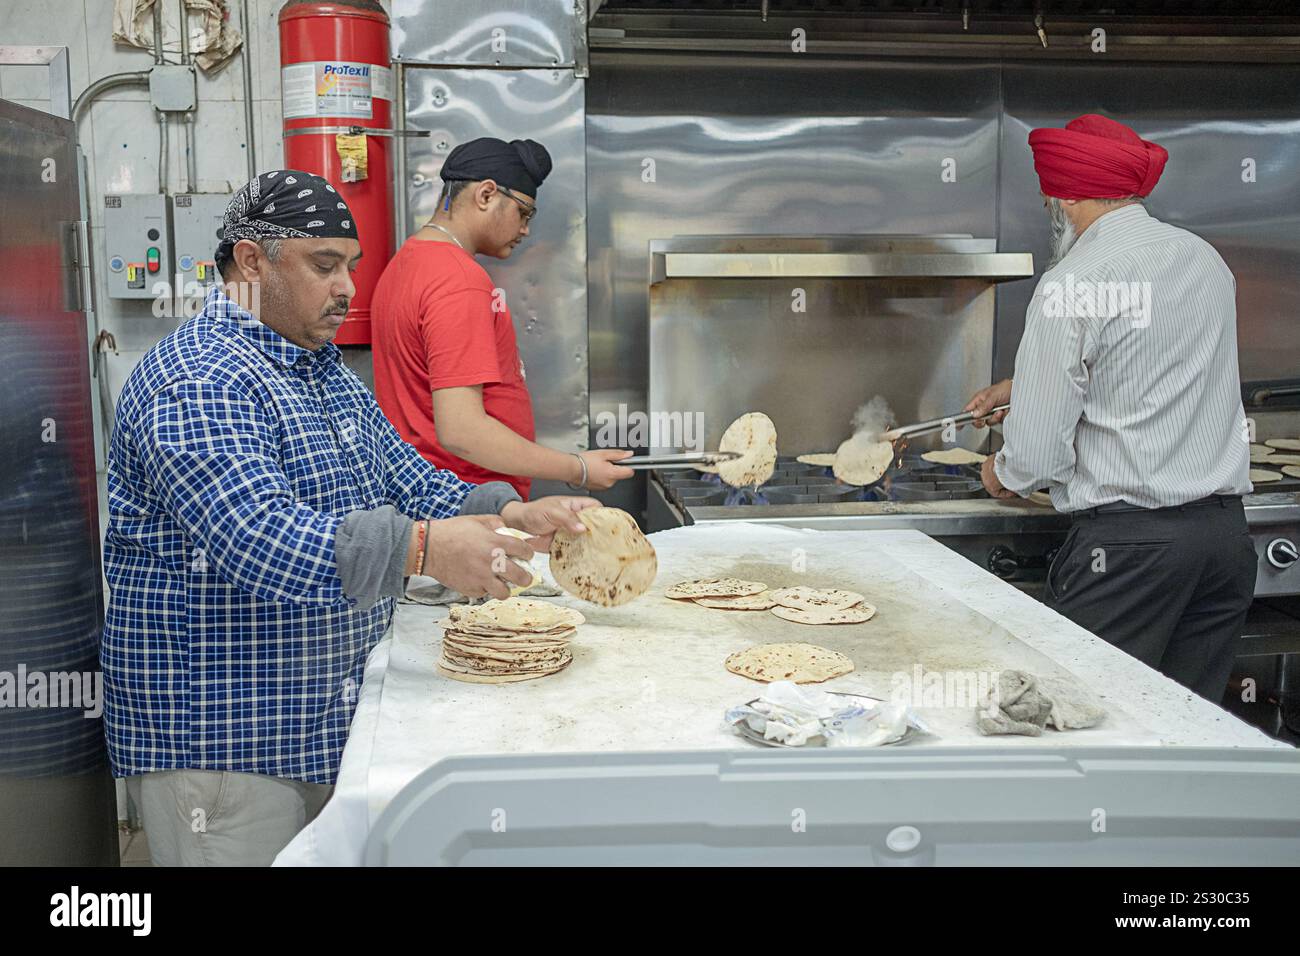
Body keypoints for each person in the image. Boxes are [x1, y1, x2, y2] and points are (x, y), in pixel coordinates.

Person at [101, 170, 599, 865]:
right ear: (251, 262)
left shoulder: (318, 367)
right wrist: (424, 550)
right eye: (324, 266)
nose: (347, 289)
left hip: (317, 715)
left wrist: (513, 510)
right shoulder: (201, 377)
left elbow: (405, 476)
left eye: (350, 268)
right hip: (225, 738)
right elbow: (257, 537)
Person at [966, 114, 1254, 702]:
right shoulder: (1203, 260)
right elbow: (1155, 363)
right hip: (1223, 541)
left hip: (1129, 554)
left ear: (1061, 196)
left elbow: (1039, 455)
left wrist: (1003, 471)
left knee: (1084, 721)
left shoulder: (1074, 279)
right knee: (1185, 726)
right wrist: (1027, 385)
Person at [371, 137, 632, 500]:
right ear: (486, 195)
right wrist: (578, 468)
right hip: (466, 503)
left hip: (432, 499)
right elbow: (462, 431)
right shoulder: (458, 279)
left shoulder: (406, 263)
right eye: (523, 213)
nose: (525, 229)